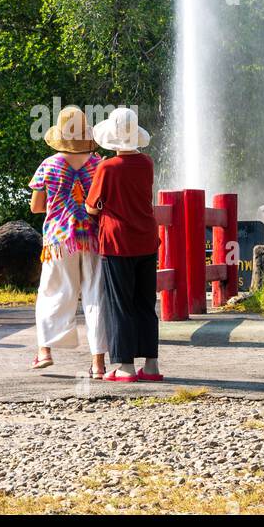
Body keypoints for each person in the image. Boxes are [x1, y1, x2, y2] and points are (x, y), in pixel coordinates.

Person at [28, 105, 107, 378]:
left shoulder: (49, 165)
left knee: (54, 293)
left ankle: (45, 351)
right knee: (97, 296)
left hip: (60, 239)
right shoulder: (99, 164)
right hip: (94, 237)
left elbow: (36, 206)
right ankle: (98, 363)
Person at [86, 107, 162, 382]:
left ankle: (125, 365)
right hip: (147, 238)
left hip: (117, 241)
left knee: (120, 304)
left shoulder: (107, 167)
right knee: (145, 302)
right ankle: (151, 365)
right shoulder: (147, 163)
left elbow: (92, 206)